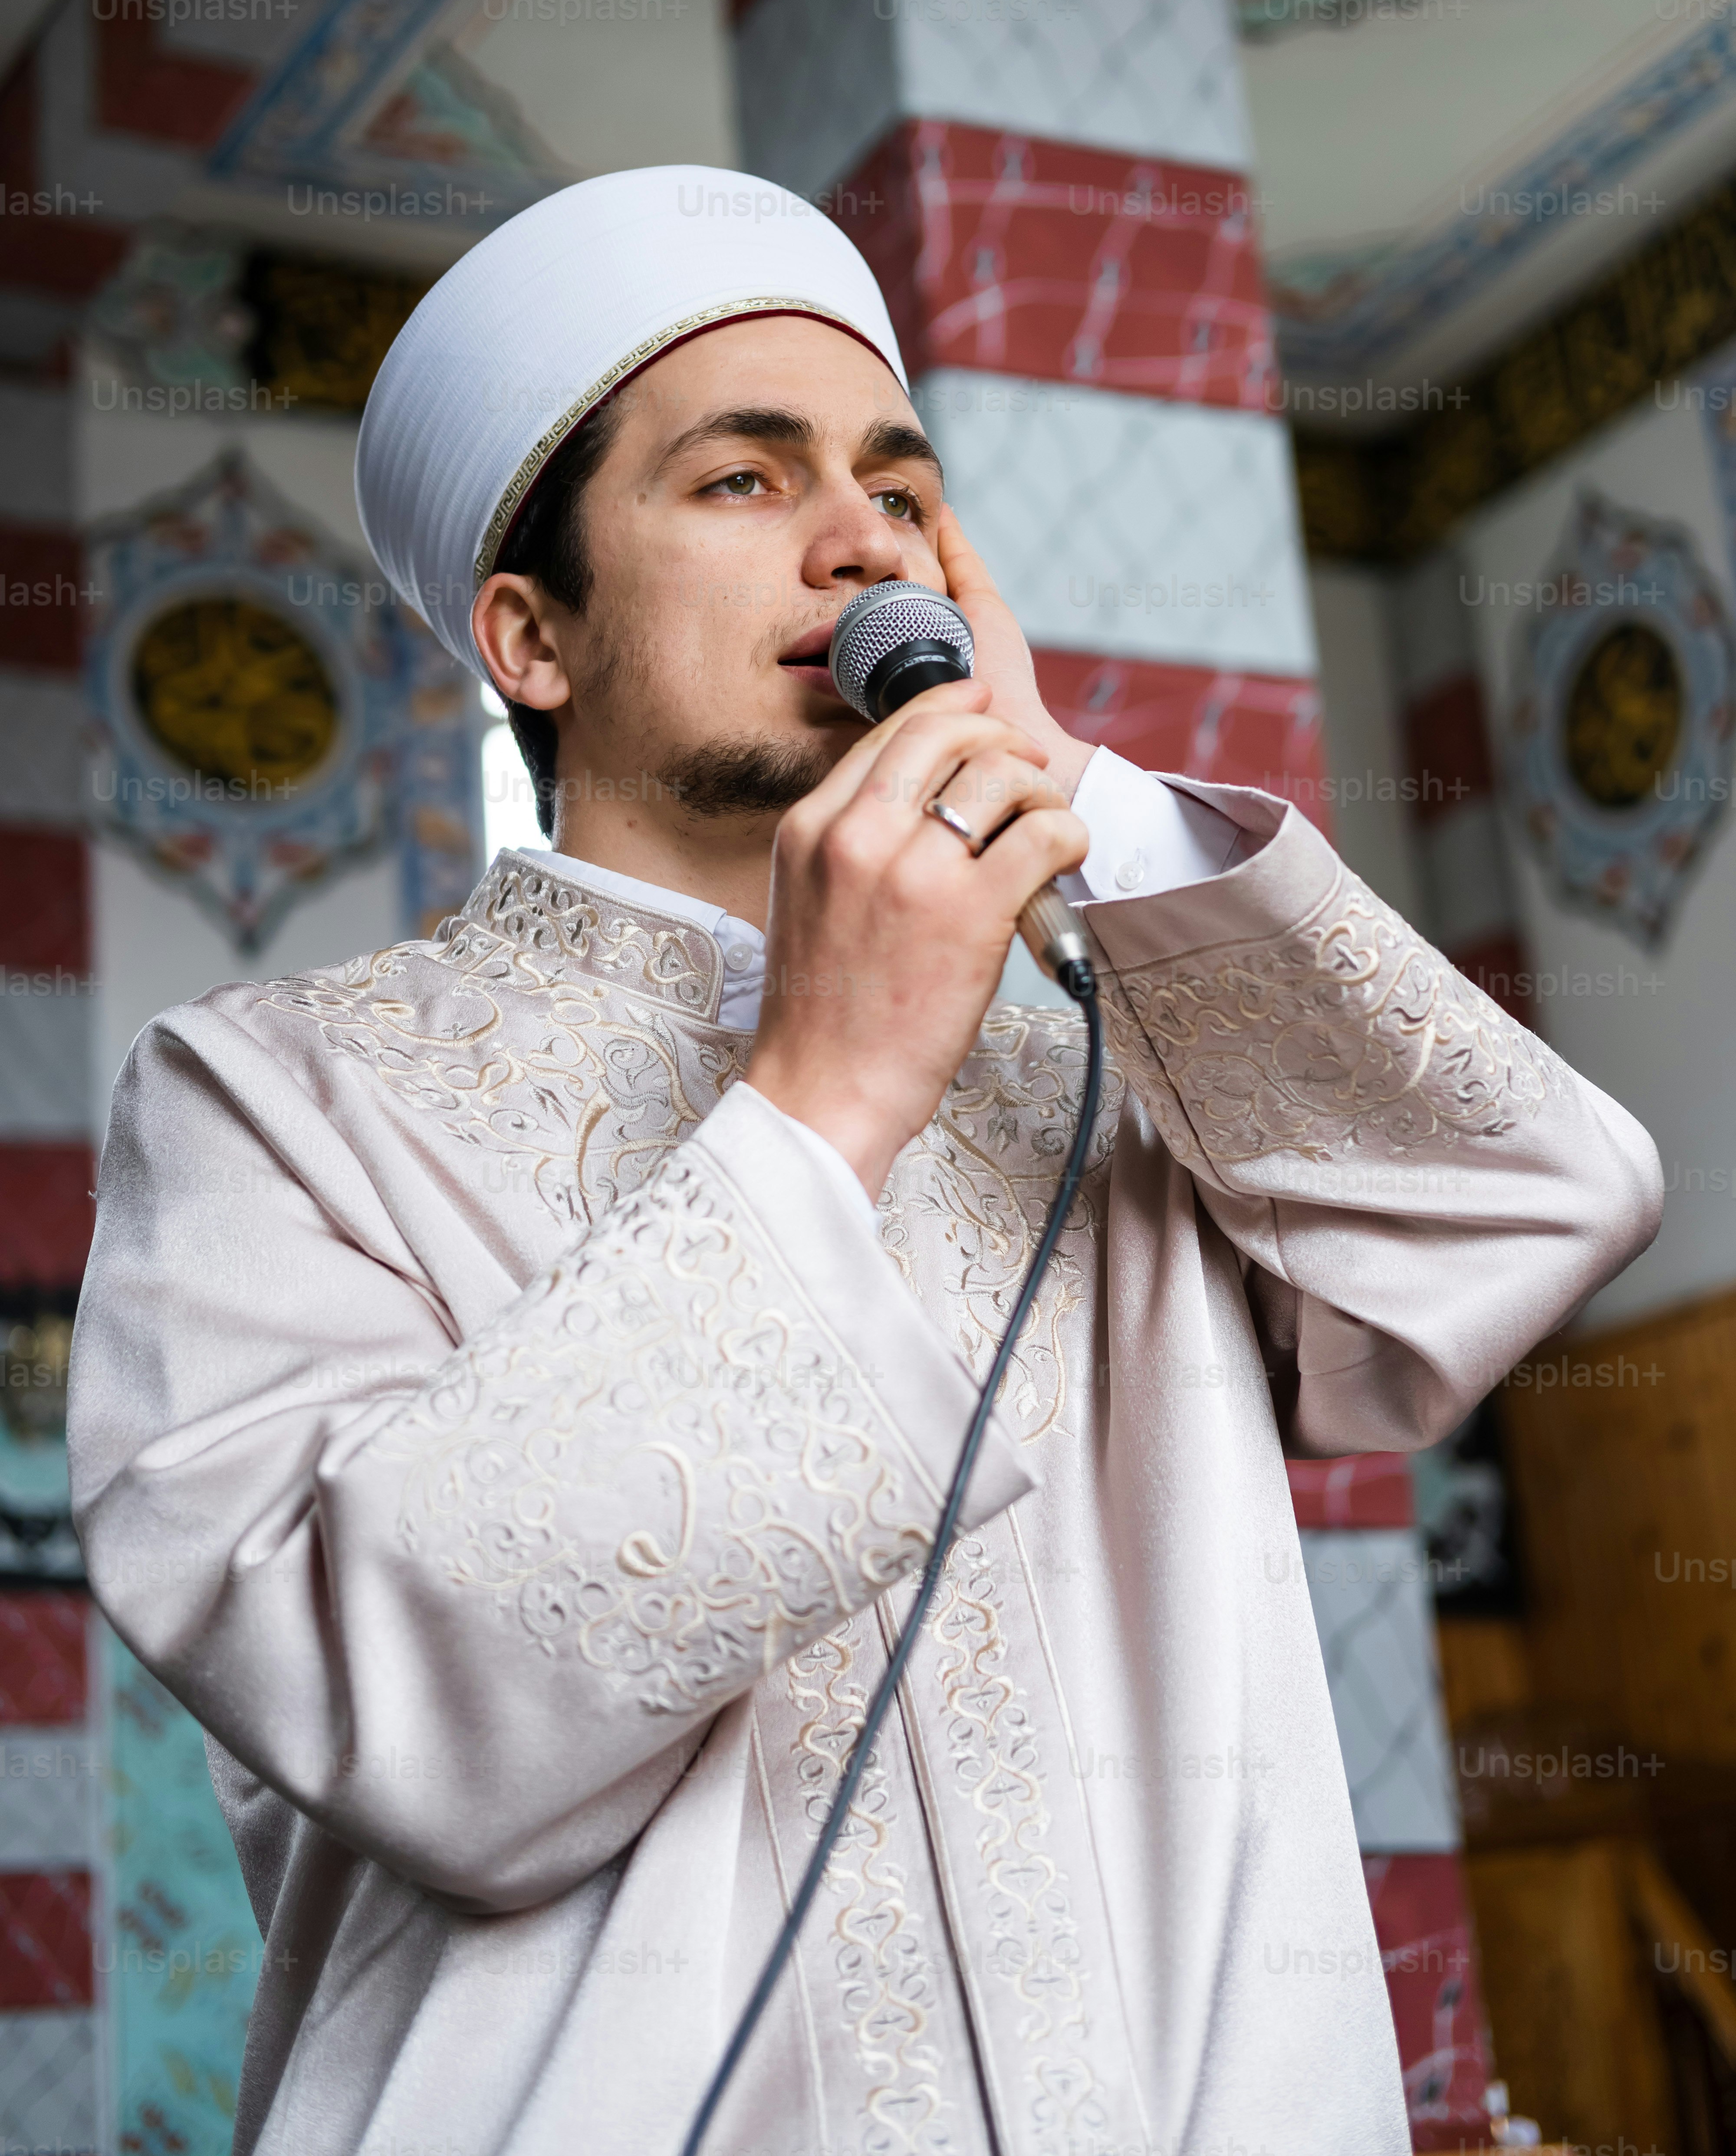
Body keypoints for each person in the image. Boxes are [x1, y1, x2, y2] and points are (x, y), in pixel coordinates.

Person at [68, 165, 1662, 2156]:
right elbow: (403, 1716)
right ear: (532, 637)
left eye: (897, 490)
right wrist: (821, 1103)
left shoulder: (1110, 1050)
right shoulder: (272, 1097)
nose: (859, 540)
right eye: (743, 480)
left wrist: (1080, 797)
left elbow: (1532, 1208)